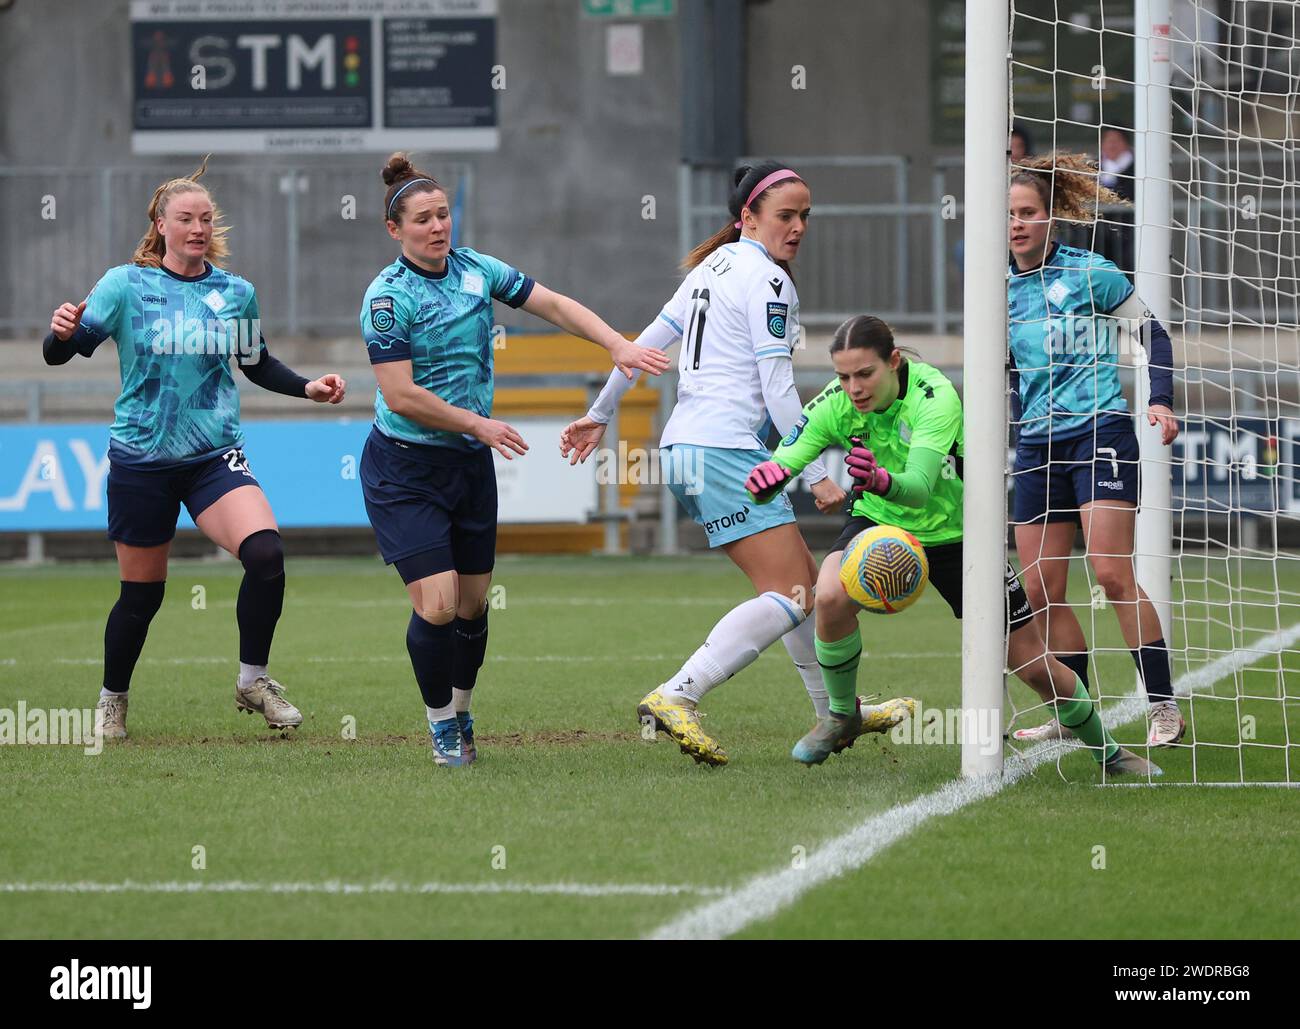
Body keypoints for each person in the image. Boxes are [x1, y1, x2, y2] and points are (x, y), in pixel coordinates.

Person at [560, 161, 913, 767]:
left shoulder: (709, 269)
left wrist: (599, 413)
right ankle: (679, 693)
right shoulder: (769, 282)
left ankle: (838, 714)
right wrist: (815, 474)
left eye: (805, 216)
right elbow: (779, 389)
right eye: (785, 215)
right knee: (799, 592)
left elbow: (642, 345)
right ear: (747, 217)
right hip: (723, 450)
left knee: (801, 578)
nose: (798, 226)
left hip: (687, 449)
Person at [359, 153, 670, 769]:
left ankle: (463, 707)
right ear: (395, 230)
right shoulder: (386, 298)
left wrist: (616, 343)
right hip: (404, 468)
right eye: (422, 219)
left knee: (474, 607)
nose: (437, 227)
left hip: (469, 468)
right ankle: (441, 727)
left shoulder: (478, 270)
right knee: (440, 604)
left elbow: (552, 304)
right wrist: (478, 423)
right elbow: (399, 393)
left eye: (443, 214)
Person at [746, 316, 1160, 776]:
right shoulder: (835, 404)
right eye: (844, 377)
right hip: (880, 522)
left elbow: (920, 487)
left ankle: (1110, 752)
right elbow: (781, 464)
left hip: (961, 534)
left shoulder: (934, 396)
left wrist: (880, 479)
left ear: (894, 362)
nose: (854, 387)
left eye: (865, 374)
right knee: (828, 595)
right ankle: (841, 716)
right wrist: (765, 483)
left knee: (1034, 666)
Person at [43, 158, 347, 740]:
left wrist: (306, 386)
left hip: (212, 456)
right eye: (185, 217)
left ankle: (252, 680)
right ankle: (112, 701)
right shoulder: (124, 285)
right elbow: (65, 352)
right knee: (141, 597)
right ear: (161, 224)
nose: (198, 227)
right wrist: (56, 333)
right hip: (141, 460)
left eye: (206, 218)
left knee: (265, 555)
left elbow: (255, 363)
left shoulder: (234, 293)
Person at [1006, 153, 1184, 748]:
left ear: (1050, 217)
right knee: (1039, 589)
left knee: (1110, 572)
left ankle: (1163, 707)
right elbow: (1008, 374)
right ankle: (1074, 712)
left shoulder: (1090, 273)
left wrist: (1158, 398)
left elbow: (1151, 333)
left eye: (1028, 212)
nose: (1018, 224)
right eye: (1009, 215)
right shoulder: (995, 291)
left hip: (1099, 432)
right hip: (1036, 445)